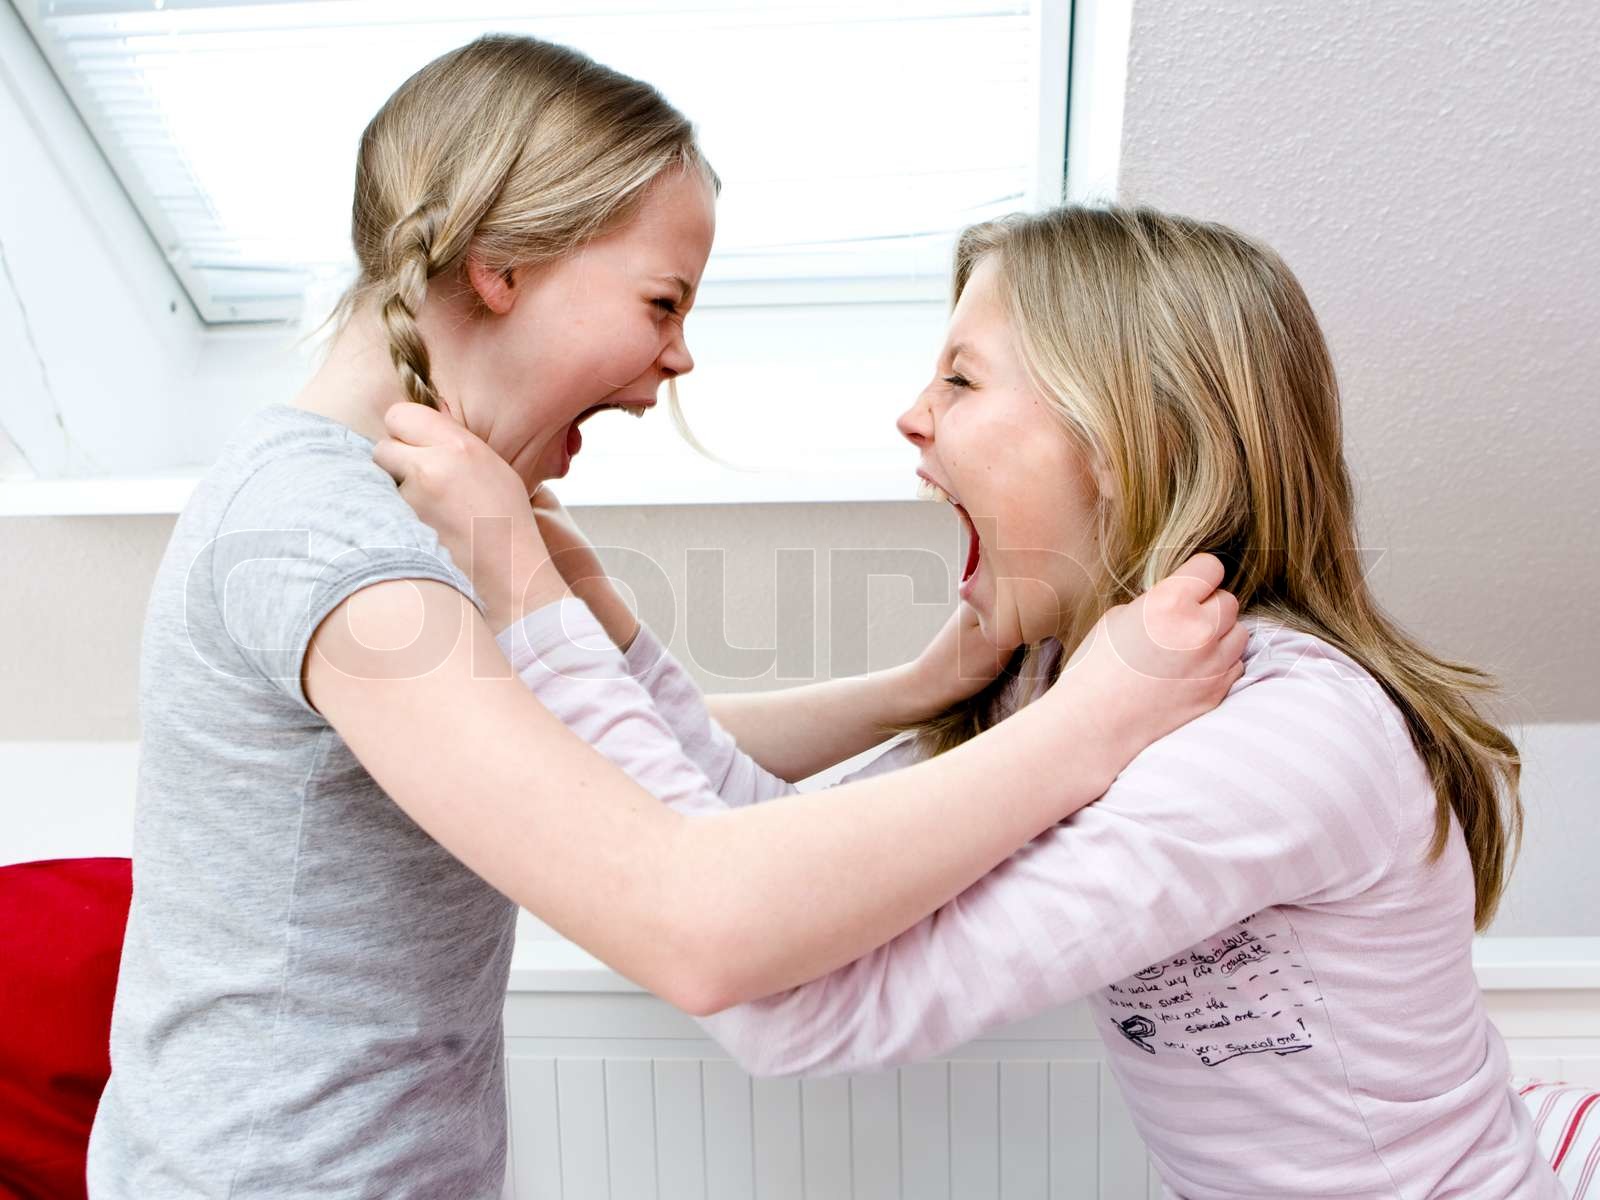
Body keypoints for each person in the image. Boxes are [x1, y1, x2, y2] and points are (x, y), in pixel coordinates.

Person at [84, 37, 1242, 1200]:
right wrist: (1092, 722)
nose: (677, 359)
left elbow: (610, 768)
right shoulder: (322, 534)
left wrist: (918, 688)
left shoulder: (392, 506)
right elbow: (692, 916)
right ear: (500, 266)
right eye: (661, 302)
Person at [385, 203, 1557, 1197]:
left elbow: (782, 1003)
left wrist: (523, 590)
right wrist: (608, 630)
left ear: (1128, 435)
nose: (913, 413)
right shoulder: (1081, 682)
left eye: (961, 376)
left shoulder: (1284, 737)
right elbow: (761, 855)